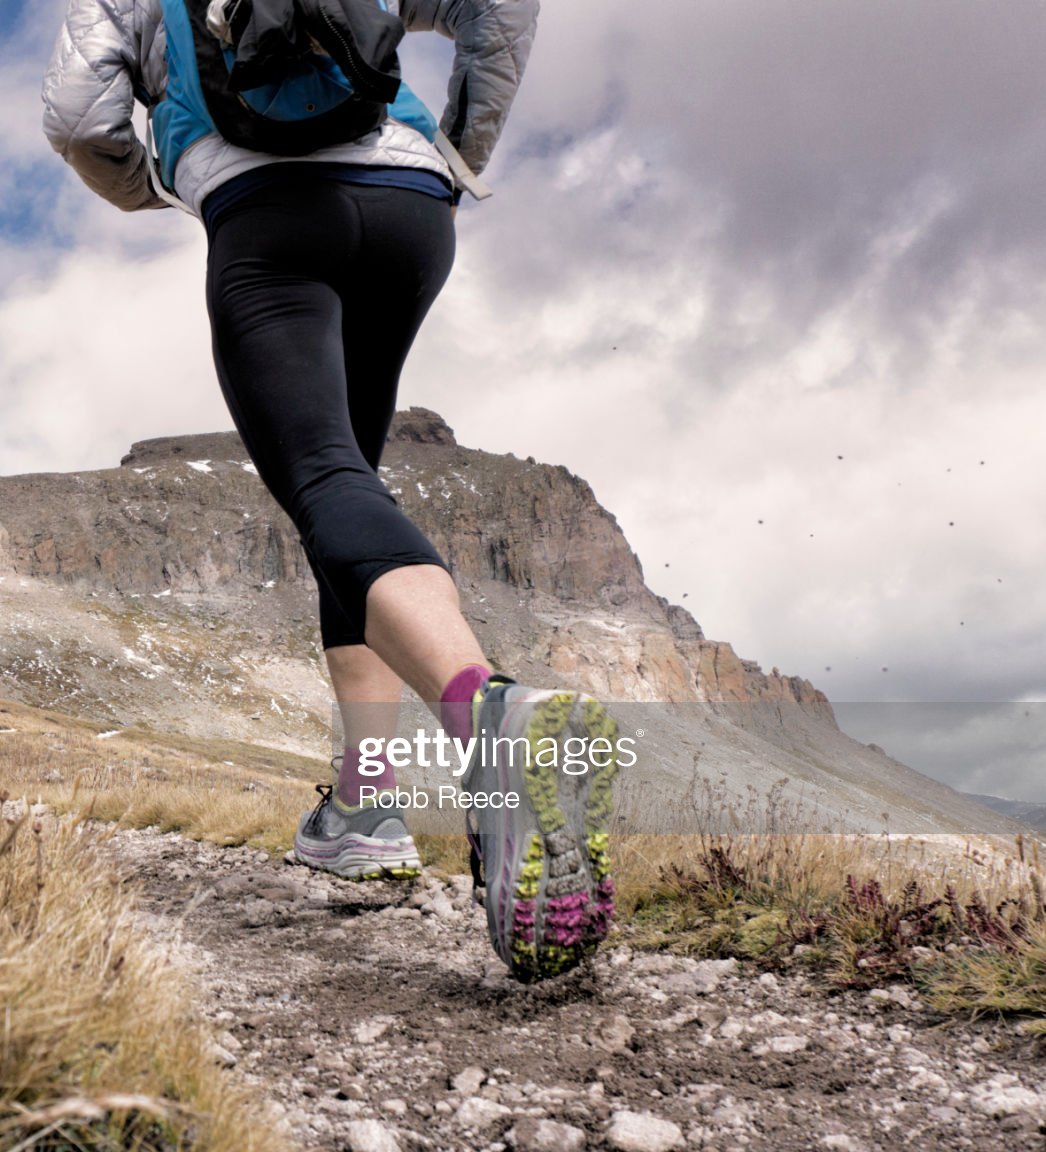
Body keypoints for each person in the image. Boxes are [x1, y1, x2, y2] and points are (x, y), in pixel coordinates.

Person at [42, 0, 618, 983]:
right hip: (409, 214)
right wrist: (458, 150)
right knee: (346, 483)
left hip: (267, 216)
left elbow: (78, 118)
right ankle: (365, 806)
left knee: (321, 480)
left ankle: (490, 720)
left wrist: (167, 185)